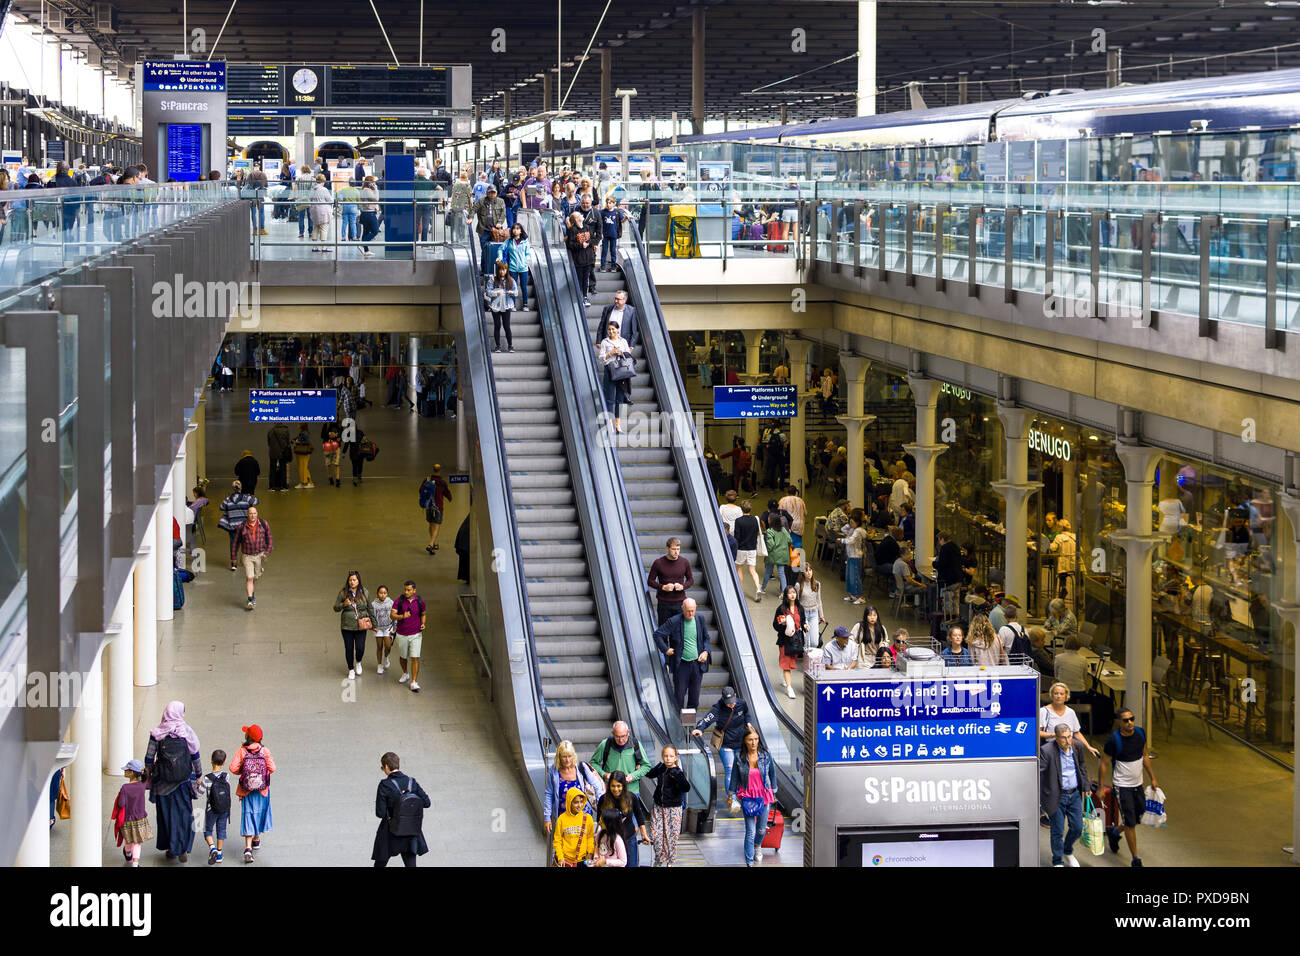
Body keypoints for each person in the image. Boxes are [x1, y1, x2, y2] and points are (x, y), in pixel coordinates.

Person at [143, 701, 202, 863]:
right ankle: (182, 847)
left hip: (163, 783)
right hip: (183, 782)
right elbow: (195, 755)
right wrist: (198, 775)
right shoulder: (186, 732)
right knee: (184, 815)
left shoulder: (158, 733)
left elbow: (149, 757)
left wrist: (149, 772)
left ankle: (171, 847)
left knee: (166, 815)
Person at [1102, 707, 1158, 867]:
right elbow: (1104, 764)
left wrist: (1153, 778)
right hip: (1122, 786)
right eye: (1126, 720)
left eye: (1132, 719)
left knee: (1138, 817)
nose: (1130, 723)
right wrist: (1100, 787)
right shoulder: (1113, 740)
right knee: (1130, 823)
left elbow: (1145, 755)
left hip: (1137, 784)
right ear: (1119, 722)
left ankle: (1114, 832)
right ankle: (1135, 859)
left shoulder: (1140, 733)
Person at [1040, 722, 1097, 867]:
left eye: (1069, 736)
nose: (1067, 741)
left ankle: (1067, 850)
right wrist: (1042, 796)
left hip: (1075, 794)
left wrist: (1085, 785)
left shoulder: (1077, 746)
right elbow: (1039, 774)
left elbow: (1082, 766)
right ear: (1056, 738)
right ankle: (1057, 861)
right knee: (1057, 831)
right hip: (1056, 796)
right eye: (1063, 738)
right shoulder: (1046, 751)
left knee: (1077, 827)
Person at [692, 686, 750, 813]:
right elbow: (706, 720)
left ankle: (742, 795)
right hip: (725, 744)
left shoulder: (741, 703)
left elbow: (747, 714)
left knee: (742, 769)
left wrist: (748, 723)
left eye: (733, 701)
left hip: (740, 742)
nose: (731, 705)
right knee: (730, 769)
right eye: (728, 703)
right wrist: (699, 729)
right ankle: (732, 798)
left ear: (735, 695)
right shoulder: (718, 708)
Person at [543, 740, 603, 859]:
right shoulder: (553, 770)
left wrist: (602, 808)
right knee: (566, 846)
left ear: (573, 756)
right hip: (563, 815)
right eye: (564, 756)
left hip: (583, 814)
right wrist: (547, 817)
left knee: (585, 844)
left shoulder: (581, 767)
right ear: (559, 756)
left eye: (569, 756)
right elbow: (549, 793)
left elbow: (597, 785)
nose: (567, 760)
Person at [372, 751, 431, 867]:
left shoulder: (385, 785)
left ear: (387, 767)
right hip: (410, 831)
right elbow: (427, 803)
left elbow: (380, 813)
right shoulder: (411, 782)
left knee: (380, 864)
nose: (383, 770)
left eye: (382, 768)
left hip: (391, 832)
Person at [652, 597, 710, 712]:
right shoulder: (674, 621)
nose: (691, 613)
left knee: (694, 699)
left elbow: (706, 638)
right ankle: (679, 726)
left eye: (693, 610)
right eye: (688, 610)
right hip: (681, 665)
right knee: (679, 698)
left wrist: (706, 651)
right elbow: (657, 634)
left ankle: (689, 727)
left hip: (697, 665)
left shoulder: (700, 619)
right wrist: (665, 649)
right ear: (682, 608)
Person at [228, 724, 276, 864]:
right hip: (262, 790)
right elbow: (272, 767)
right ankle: (256, 839)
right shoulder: (264, 751)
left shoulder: (242, 751)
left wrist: (245, 773)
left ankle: (248, 848)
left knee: (248, 814)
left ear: (247, 737)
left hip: (246, 790)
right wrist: (261, 775)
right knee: (260, 813)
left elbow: (233, 768)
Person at [730, 727, 777, 867]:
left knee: (761, 829)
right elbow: (734, 777)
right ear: (744, 741)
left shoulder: (765, 755)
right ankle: (749, 861)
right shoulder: (739, 757)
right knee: (750, 831)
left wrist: (774, 790)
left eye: (756, 739)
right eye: (750, 740)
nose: (753, 742)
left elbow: (773, 773)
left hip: (764, 796)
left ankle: (757, 846)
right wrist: (731, 794)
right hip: (748, 796)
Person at [645, 745, 691, 867]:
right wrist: (642, 767)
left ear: (675, 757)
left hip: (673, 808)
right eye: (666, 756)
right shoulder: (661, 767)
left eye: (671, 756)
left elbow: (686, 788)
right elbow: (650, 774)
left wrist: (678, 777)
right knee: (656, 835)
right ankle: (659, 858)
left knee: (671, 837)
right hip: (658, 807)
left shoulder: (678, 772)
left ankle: (670, 862)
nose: (668, 759)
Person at [597, 770, 650, 868]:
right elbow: (599, 820)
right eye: (613, 786)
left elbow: (639, 815)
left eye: (619, 786)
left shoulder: (631, 797)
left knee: (631, 864)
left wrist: (644, 834)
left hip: (629, 838)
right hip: (610, 840)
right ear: (609, 786)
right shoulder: (603, 799)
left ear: (623, 786)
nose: (616, 789)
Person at [1039, 681, 1100, 756]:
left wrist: (1088, 747)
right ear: (1051, 695)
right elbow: (1038, 732)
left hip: (1068, 749)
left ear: (1066, 696)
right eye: (1056, 693)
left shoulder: (1070, 712)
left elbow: (1076, 732)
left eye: (1061, 694)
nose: (1058, 696)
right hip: (1051, 748)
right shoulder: (1043, 711)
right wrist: (1054, 735)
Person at [112, 759, 153, 867]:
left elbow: (121, 804)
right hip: (140, 819)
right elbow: (150, 784)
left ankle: (128, 854)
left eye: (126, 770)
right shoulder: (142, 785)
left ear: (131, 772)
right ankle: (135, 864)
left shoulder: (125, 788)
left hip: (127, 820)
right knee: (137, 842)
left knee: (128, 840)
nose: (124, 771)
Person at [596, 318, 633, 433]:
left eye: (613, 329)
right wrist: (610, 353)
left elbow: (628, 354)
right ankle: (609, 424)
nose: (611, 332)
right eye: (609, 330)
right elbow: (601, 358)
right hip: (610, 371)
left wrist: (620, 353)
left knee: (620, 399)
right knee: (609, 399)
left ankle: (618, 425)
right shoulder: (605, 342)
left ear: (618, 330)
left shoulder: (623, 341)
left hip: (622, 371)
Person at [334, 571, 373, 679]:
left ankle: (359, 662)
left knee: (360, 648)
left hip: (361, 625)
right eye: (350, 580)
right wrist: (343, 604)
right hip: (347, 626)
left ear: (358, 580)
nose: (352, 582)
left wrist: (374, 624)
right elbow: (335, 607)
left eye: (354, 580)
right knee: (349, 648)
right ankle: (351, 669)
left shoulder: (365, 592)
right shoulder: (343, 593)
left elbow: (370, 608)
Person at [648, 537, 694, 628]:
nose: (676, 552)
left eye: (678, 549)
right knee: (663, 632)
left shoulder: (684, 562)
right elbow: (650, 581)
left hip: (680, 603)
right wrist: (663, 587)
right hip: (664, 604)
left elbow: (691, 580)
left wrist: (683, 586)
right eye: (673, 549)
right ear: (667, 548)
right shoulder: (658, 563)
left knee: (677, 634)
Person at [232, 505, 272, 610]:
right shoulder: (241, 527)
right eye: (250, 513)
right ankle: (250, 599)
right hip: (247, 556)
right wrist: (234, 558)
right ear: (247, 515)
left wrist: (266, 553)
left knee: (255, 577)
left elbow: (270, 541)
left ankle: (252, 592)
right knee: (250, 577)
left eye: (254, 513)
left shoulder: (264, 524)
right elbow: (235, 543)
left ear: (257, 514)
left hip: (259, 555)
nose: (253, 515)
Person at [590, 721, 652, 786]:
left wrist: (633, 776)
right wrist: (604, 774)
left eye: (623, 736)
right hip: (610, 790)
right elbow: (593, 763)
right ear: (613, 733)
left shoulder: (636, 744)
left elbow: (646, 766)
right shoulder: (605, 744)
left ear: (628, 732)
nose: (620, 740)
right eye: (617, 736)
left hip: (631, 790)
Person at [392, 580, 427, 692]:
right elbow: (392, 615)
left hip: (416, 634)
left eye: (409, 590)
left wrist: (423, 623)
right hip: (402, 634)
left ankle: (414, 682)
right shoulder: (399, 601)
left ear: (414, 590)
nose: (406, 592)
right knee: (403, 657)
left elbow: (423, 614)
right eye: (405, 590)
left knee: (415, 657)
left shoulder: (420, 601)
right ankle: (405, 673)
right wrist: (402, 616)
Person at [197, 749, 230, 865]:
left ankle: (213, 848)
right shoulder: (226, 776)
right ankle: (219, 854)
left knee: (207, 829)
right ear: (224, 763)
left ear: (211, 760)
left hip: (212, 809)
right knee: (221, 829)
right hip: (224, 809)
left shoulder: (207, 778)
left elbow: (198, 794)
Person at [217, 481, 259, 571]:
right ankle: (247, 560)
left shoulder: (228, 499)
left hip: (232, 526)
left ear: (233, 488)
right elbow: (256, 501)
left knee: (234, 544)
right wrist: (250, 496)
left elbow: (221, 507)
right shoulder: (246, 498)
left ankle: (234, 563)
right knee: (247, 543)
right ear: (241, 488)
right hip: (245, 526)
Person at [774, 585, 806, 698]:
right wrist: (782, 625)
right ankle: (789, 687)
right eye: (790, 593)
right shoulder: (781, 609)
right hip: (784, 640)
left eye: (794, 592)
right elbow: (775, 624)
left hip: (796, 640)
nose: (793, 595)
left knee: (791, 660)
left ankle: (784, 676)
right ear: (786, 595)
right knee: (786, 663)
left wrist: (805, 625)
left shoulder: (800, 608)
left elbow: (803, 620)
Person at [552, 787, 595, 867]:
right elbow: (557, 841)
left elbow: (590, 837)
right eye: (576, 802)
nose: (580, 805)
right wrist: (560, 857)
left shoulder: (588, 818)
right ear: (569, 802)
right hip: (566, 861)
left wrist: (590, 852)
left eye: (581, 802)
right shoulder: (561, 819)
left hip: (583, 861)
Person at [484, 259, 518, 353]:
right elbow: (488, 292)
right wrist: (496, 292)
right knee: (497, 325)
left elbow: (516, 292)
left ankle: (510, 346)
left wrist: (512, 292)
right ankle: (498, 346)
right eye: (500, 269)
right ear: (498, 270)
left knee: (507, 326)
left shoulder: (511, 280)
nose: (502, 271)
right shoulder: (493, 279)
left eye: (504, 269)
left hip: (506, 305)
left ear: (507, 270)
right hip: (496, 306)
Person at [565, 209, 597, 307]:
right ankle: (579, 296)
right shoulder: (573, 230)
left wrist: (589, 243)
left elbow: (592, 238)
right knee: (579, 278)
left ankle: (585, 296)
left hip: (588, 258)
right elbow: (570, 244)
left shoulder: (587, 227)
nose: (581, 215)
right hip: (578, 259)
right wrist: (580, 245)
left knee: (586, 278)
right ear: (576, 219)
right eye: (579, 215)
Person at [419, 465, 453, 554]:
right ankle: (430, 544)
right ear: (440, 471)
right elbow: (447, 493)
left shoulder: (427, 480)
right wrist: (450, 498)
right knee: (437, 526)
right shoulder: (442, 482)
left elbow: (420, 490)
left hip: (429, 506)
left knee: (431, 525)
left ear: (432, 470)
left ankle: (434, 544)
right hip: (438, 507)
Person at [733, 500, 763, 599]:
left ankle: (741, 592)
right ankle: (758, 588)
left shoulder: (738, 521)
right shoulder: (755, 519)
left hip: (741, 548)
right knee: (752, 570)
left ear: (741, 509)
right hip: (752, 548)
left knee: (739, 568)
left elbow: (737, 536)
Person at [764, 512, 795, 598]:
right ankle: (783, 593)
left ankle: (763, 588)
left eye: (769, 519)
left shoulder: (769, 531)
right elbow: (790, 540)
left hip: (772, 555)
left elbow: (770, 545)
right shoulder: (783, 530)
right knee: (781, 573)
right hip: (782, 555)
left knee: (768, 572)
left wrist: (767, 552)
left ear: (771, 521)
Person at [502, 222, 532, 311]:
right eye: (514, 228)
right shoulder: (509, 241)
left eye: (518, 228)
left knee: (523, 286)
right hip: (512, 267)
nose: (516, 230)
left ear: (521, 230)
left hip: (523, 268)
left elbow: (528, 254)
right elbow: (501, 249)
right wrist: (499, 257)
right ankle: (513, 304)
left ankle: (525, 304)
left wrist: (525, 262)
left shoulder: (525, 241)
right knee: (512, 286)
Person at [843, 512, 868, 605]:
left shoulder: (858, 531)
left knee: (856, 577)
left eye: (852, 522)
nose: (851, 524)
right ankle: (853, 595)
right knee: (849, 576)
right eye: (850, 522)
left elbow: (851, 540)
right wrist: (849, 524)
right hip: (850, 556)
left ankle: (861, 596)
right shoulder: (852, 529)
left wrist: (842, 540)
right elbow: (843, 529)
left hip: (856, 556)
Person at [796, 564, 824, 648]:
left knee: (815, 643)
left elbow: (819, 600)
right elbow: (796, 602)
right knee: (806, 641)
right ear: (802, 573)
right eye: (806, 570)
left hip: (814, 614)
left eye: (810, 570)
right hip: (803, 614)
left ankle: (809, 656)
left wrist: (821, 615)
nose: (809, 573)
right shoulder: (798, 585)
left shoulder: (817, 584)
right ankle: (807, 659)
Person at [599, 195, 628, 271]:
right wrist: (600, 233)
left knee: (613, 251)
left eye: (610, 203)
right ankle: (602, 266)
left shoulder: (617, 212)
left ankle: (613, 266)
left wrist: (626, 218)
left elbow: (622, 220)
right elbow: (600, 223)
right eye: (607, 203)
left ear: (614, 203)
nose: (608, 204)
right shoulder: (603, 212)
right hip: (605, 235)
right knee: (604, 251)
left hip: (614, 234)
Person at [357, 175, 381, 257]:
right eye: (373, 182)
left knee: (366, 231)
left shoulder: (364, 190)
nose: (374, 183)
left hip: (365, 213)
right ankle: (363, 244)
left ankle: (366, 250)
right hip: (369, 213)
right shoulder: (367, 191)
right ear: (369, 183)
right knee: (375, 231)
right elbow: (376, 199)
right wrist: (376, 189)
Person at [778, 484, 807, 549]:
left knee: (787, 545)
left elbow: (779, 513)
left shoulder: (783, 500)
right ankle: (798, 556)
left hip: (788, 525)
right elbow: (805, 513)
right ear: (795, 492)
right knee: (797, 544)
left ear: (787, 492)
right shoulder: (800, 500)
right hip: (799, 525)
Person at [266, 422, 291, 492]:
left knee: (272, 469)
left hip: (273, 452)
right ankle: (284, 486)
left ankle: (271, 486)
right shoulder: (286, 430)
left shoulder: (271, 430)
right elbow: (287, 441)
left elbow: (268, 442)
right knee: (283, 469)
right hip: (283, 452)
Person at [291, 423, 314, 489]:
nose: (298, 425)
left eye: (299, 424)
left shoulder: (304, 433)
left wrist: (298, 442)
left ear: (302, 426)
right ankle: (305, 482)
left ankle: (306, 483)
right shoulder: (302, 432)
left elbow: (307, 442)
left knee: (303, 467)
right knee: (303, 467)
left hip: (304, 453)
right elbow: (298, 438)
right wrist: (294, 440)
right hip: (301, 453)